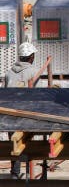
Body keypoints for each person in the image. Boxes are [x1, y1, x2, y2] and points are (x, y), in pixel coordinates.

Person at [4, 42, 38, 179]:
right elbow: (41, 95)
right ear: (31, 57)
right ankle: (26, 173)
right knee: (25, 142)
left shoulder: (9, 72)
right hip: (27, 114)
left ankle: (15, 173)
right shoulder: (33, 71)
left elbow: (5, 93)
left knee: (14, 142)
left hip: (9, 114)